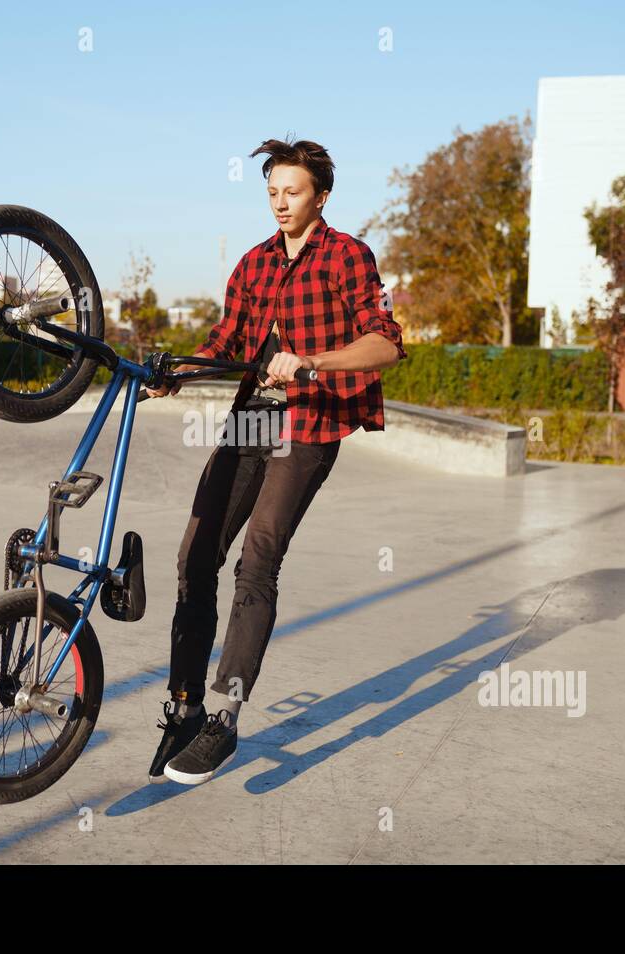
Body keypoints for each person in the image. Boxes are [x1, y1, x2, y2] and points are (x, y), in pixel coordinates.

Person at [143, 137, 408, 785]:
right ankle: (184, 703)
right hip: (252, 416)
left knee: (258, 558)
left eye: (292, 192)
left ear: (321, 195)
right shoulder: (255, 263)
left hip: (311, 421)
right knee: (193, 555)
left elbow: (385, 344)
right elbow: (224, 342)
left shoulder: (349, 257)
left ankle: (225, 719)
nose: (280, 204)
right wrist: (174, 373)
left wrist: (313, 361)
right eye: (271, 193)